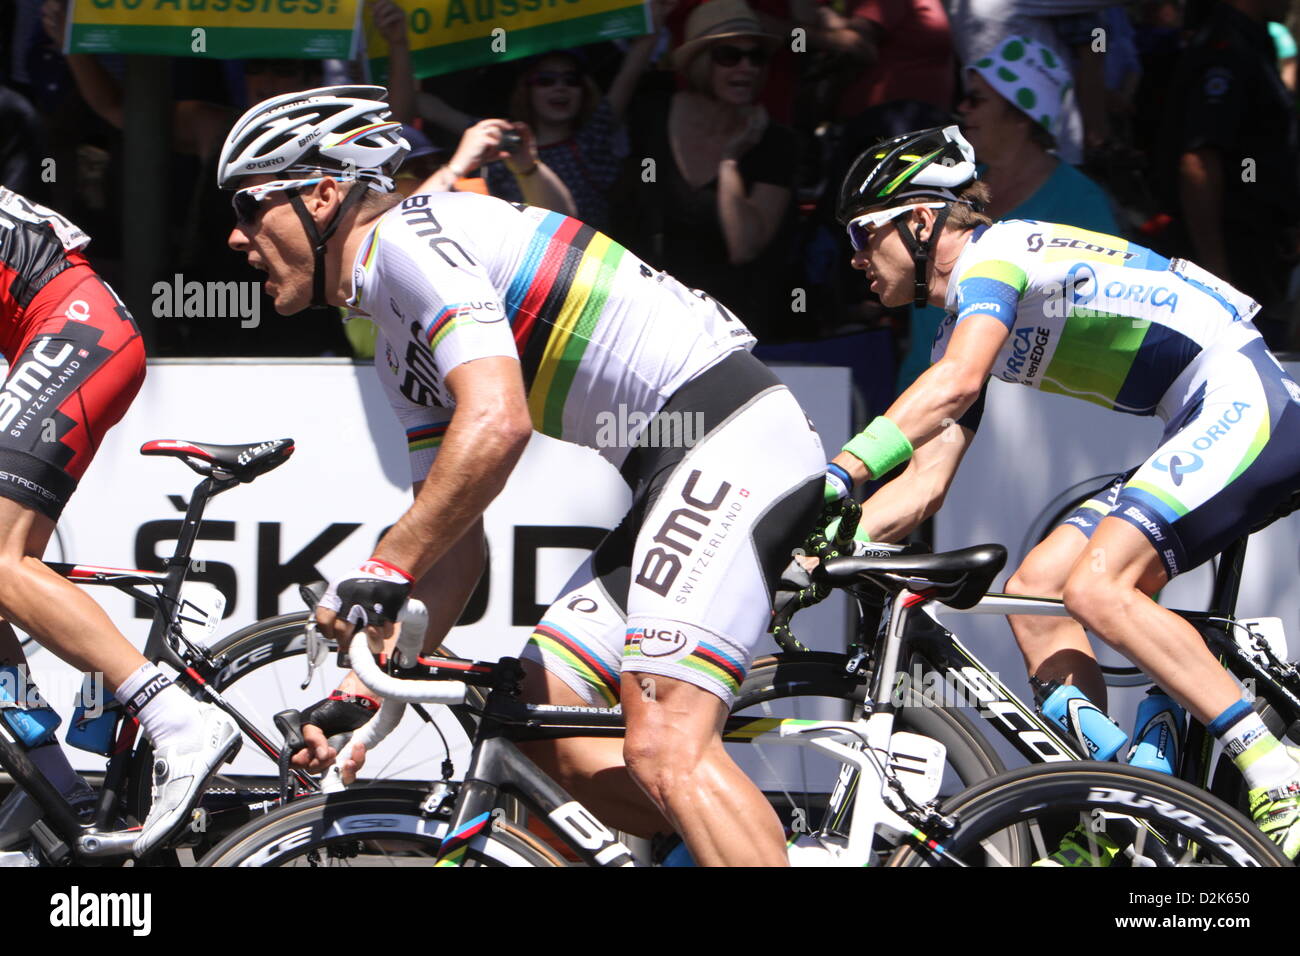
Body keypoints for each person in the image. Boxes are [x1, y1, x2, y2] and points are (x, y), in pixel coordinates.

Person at [217, 86, 825, 866]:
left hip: (731, 440)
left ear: (325, 192)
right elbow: (456, 555)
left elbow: (497, 423)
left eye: (246, 206)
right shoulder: (392, 340)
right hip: (669, 473)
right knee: (547, 727)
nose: (236, 239)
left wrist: (384, 564)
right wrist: (366, 694)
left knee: (668, 739)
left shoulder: (409, 238)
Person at [824, 125, 1300, 861]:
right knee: (1039, 592)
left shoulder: (996, 257)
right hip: (1203, 416)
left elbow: (952, 388)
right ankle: (1117, 799)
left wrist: (837, 477)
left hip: (1249, 402)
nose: (855, 259)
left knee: (1099, 588)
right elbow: (925, 485)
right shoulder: (965, 315)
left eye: (862, 235)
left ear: (920, 221)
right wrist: (826, 538)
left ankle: (1276, 770)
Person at [0, 187, 238, 855]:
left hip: (73, 328)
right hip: (69, 331)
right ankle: (50, 784)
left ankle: (174, 720)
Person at [897, 35, 1120, 392]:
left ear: (1021, 115)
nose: (962, 109)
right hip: (922, 393)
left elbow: (1104, 320)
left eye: (976, 100)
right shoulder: (950, 187)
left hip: (1028, 415)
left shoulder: (1082, 203)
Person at [618, 0, 796, 340]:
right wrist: (645, 38)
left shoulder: (775, 142)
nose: (746, 68)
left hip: (729, 325)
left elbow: (743, 246)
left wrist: (729, 162)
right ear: (700, 63)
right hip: (644, 314)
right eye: (729, 56)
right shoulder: (651, 111)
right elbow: (597, 123)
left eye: (756, 57)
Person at [1161, 0, 1300, 351]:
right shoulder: (1225, 49)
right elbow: (1199, 159)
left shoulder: (1257, 41)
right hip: (1232, 257)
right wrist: (1217, 275)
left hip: (1263, 251)